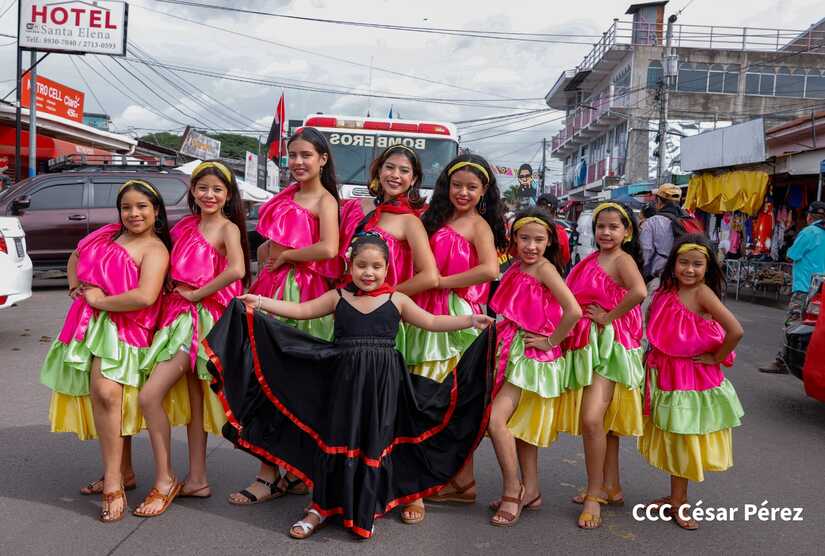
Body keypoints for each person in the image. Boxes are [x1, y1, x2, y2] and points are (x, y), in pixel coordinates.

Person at [205, 234, 494, 540]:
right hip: (341, 384)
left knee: (374, 440)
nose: (368, 273)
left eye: (376, 267)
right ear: (350, 266)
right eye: (361, 266)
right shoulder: (338, 297)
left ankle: (364, 508)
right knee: (336, 439)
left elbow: (433, 323)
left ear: (387, 269)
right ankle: (319, 508)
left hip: (384, 387)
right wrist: (259, 301)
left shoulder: (397, 299)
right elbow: (302, 311)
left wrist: (470, 320)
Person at [40, 179, 171, 522]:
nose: (133, 213)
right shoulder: (107, 235)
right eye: (127, 207)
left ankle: (115, 479)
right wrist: (74, 285)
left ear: (156, 211)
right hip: (91, 326)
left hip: (129, 330)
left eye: (142, 206)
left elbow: (145, 297)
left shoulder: (155, 249)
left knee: (110, 394)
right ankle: (119, 474)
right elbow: (75, 255)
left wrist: (100, 300)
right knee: (108, 398)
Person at [229, 127, 341, 506]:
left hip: (307, 296)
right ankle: (268, 472)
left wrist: (290, 256)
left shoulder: (326, 201)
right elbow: (267, 245)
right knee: (264, 380)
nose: (297, 162)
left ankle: (295, 471)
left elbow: (329, 248)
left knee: (300, 387)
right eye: (292, 155)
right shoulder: (284, 197)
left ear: (323, 159)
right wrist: (269, 260)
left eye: (306, 155)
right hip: (272, 289)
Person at [135, 161, 250, 517]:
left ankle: (165, 479)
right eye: (202, 188)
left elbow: (237, 269)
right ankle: (197, 478)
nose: (209, 195)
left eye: (217, 189)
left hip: (199, 321)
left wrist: (198, 294)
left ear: (228, 195)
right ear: (193, 192)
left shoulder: (228, 228)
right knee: (194, 403)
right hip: (176, 313)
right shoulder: (185, 224)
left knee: (150, 394)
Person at [337, 145, 440, 522]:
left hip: (388, 324)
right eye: (390, 168)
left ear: (414, 180)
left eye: (405, 171)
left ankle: (412, 492)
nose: (396, 175)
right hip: (351, 322)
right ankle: (359, 480)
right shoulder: (358, 210)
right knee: (357, 406)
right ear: (378, 171)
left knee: (396, 409)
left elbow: (429, 275)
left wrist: (385, 299)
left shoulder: (411, 220)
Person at [412, 154, 507, 511]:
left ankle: (458, 480)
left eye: (471, 187)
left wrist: (442, 283)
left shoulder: (479, 225)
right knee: (430, 397)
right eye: (457, 185)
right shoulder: (437, 217)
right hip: (426, 311)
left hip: (456, 315)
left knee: (447, 398)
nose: (463, 192)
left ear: (484, 191)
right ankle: (456, 479)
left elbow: (489, 270)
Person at [639, 235, 744, 530]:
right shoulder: (663, 291)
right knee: (672, 435)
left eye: (697, 264)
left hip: (691, 379)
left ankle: (680, 502)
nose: (689, 269)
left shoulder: (702, 294)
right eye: (683, 262)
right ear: (672, 265)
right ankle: (674, 497)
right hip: (665, 373)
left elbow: (735, 330)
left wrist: (716, 357)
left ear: (707, 267)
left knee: (684, 437)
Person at [486, 208, 582, 527]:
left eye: (539, 240)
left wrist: (550, 341)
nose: (531, 246)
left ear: (549, 242)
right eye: (524, 238)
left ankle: (514, 491)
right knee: (521, 427)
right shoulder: (515, 265)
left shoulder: (544, 268)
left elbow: (573, 310)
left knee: (496, 420)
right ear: (513, 239)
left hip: (531, 356)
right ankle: (533, 491)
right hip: (513, 346)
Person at [561, 201, 647, 529]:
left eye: (614, 227)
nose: (606, 232)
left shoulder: (622, 260)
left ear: (627, 232)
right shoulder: (593, 259)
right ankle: (611, 486)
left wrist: (609, 317)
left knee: (592, 418)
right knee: (604, 423)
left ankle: (594, 494)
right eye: (601, 226)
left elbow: (639, 292)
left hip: (611, 346)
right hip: (591, 344)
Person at [759, 201, 825, 373]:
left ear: (810, 216)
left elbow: (792, 254)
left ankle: (782, 362)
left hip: (805, 288)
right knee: (814, 330)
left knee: (793, 325)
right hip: (821, 290)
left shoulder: (810, 231)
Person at [536, 193, 571, 270]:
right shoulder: (560, 232)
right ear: (555, 213)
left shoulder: (526, 227)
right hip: (552, 273)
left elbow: (514, 252)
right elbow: (565, 258)